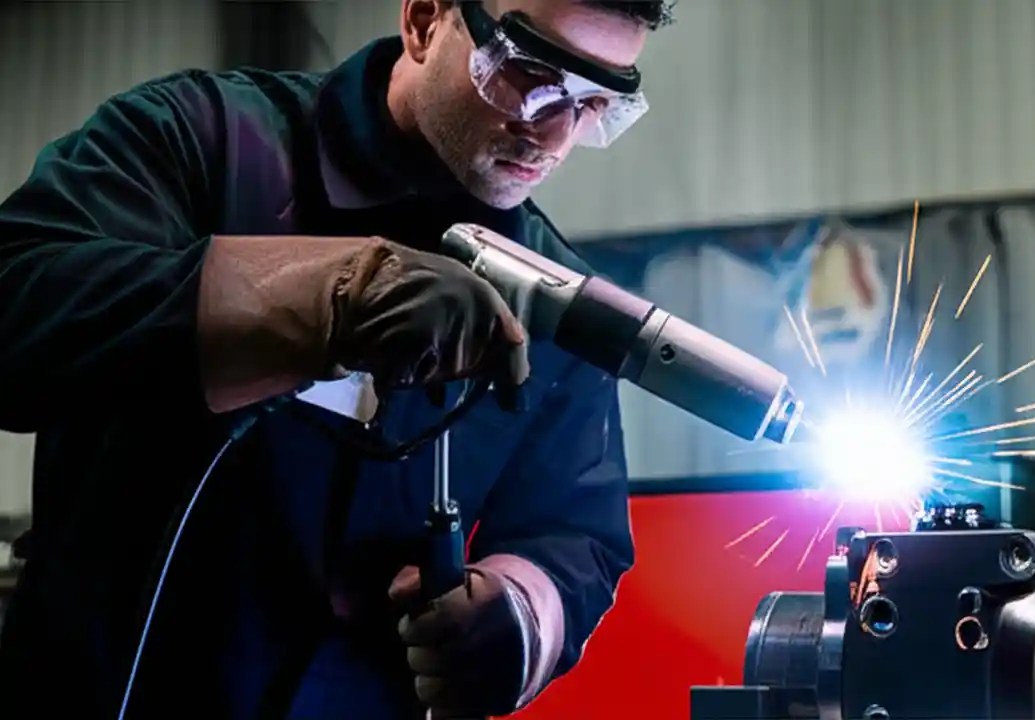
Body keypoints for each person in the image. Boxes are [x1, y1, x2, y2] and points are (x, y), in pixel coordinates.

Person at [0, 0, 673, 717]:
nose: (553, 135)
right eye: (530, 74)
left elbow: (572, 534)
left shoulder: (554, 308)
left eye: (592, 101)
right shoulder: (199, 142)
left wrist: (523, 613)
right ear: (421, 21)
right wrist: (321, 298)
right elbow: (18, 306)